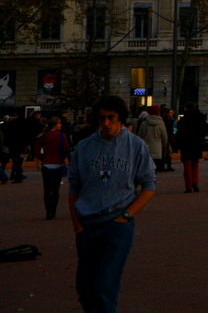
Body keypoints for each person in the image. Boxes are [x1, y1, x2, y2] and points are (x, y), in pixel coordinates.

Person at [68, 96, 156, 313]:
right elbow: (73, 188)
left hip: (117, 224)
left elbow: (149, 185)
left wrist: (126, 216)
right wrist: (77, 225)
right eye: (101, 119)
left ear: (121, 119)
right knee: (86, 288)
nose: (106, 123)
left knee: (105, 287)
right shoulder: (84, 147)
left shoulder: (135, 146)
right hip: (88, 225)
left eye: (111, 118)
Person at [36, 114, 72, 220]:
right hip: (57, 164)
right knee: (55, 190)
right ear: (56, 125)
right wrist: (63, 158)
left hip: (46, 164)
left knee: (47, 190)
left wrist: (42, 157)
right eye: (59, 123)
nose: (60, 125)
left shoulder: (43, 136)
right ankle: (53, 211)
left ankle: (48, 211)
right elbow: (66, 148)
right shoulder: (61, 136)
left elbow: (36, 150)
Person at [174, 104, 206, 193]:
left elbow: (179, 134)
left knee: (187, 166)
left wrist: (176, 146)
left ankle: (189, 186)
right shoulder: (200, 118)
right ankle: (195, 182)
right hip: (197, 144)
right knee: (195, 165)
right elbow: (204, 130)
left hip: (186, 145)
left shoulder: (184, 120)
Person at [131, 108, 169, 176]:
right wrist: (164, 147)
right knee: (154, 169)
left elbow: (139, 136)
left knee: (145, 169)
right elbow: (164, 137)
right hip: (157, 150)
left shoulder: (144, 123)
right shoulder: (161, 124)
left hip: (146, 149)